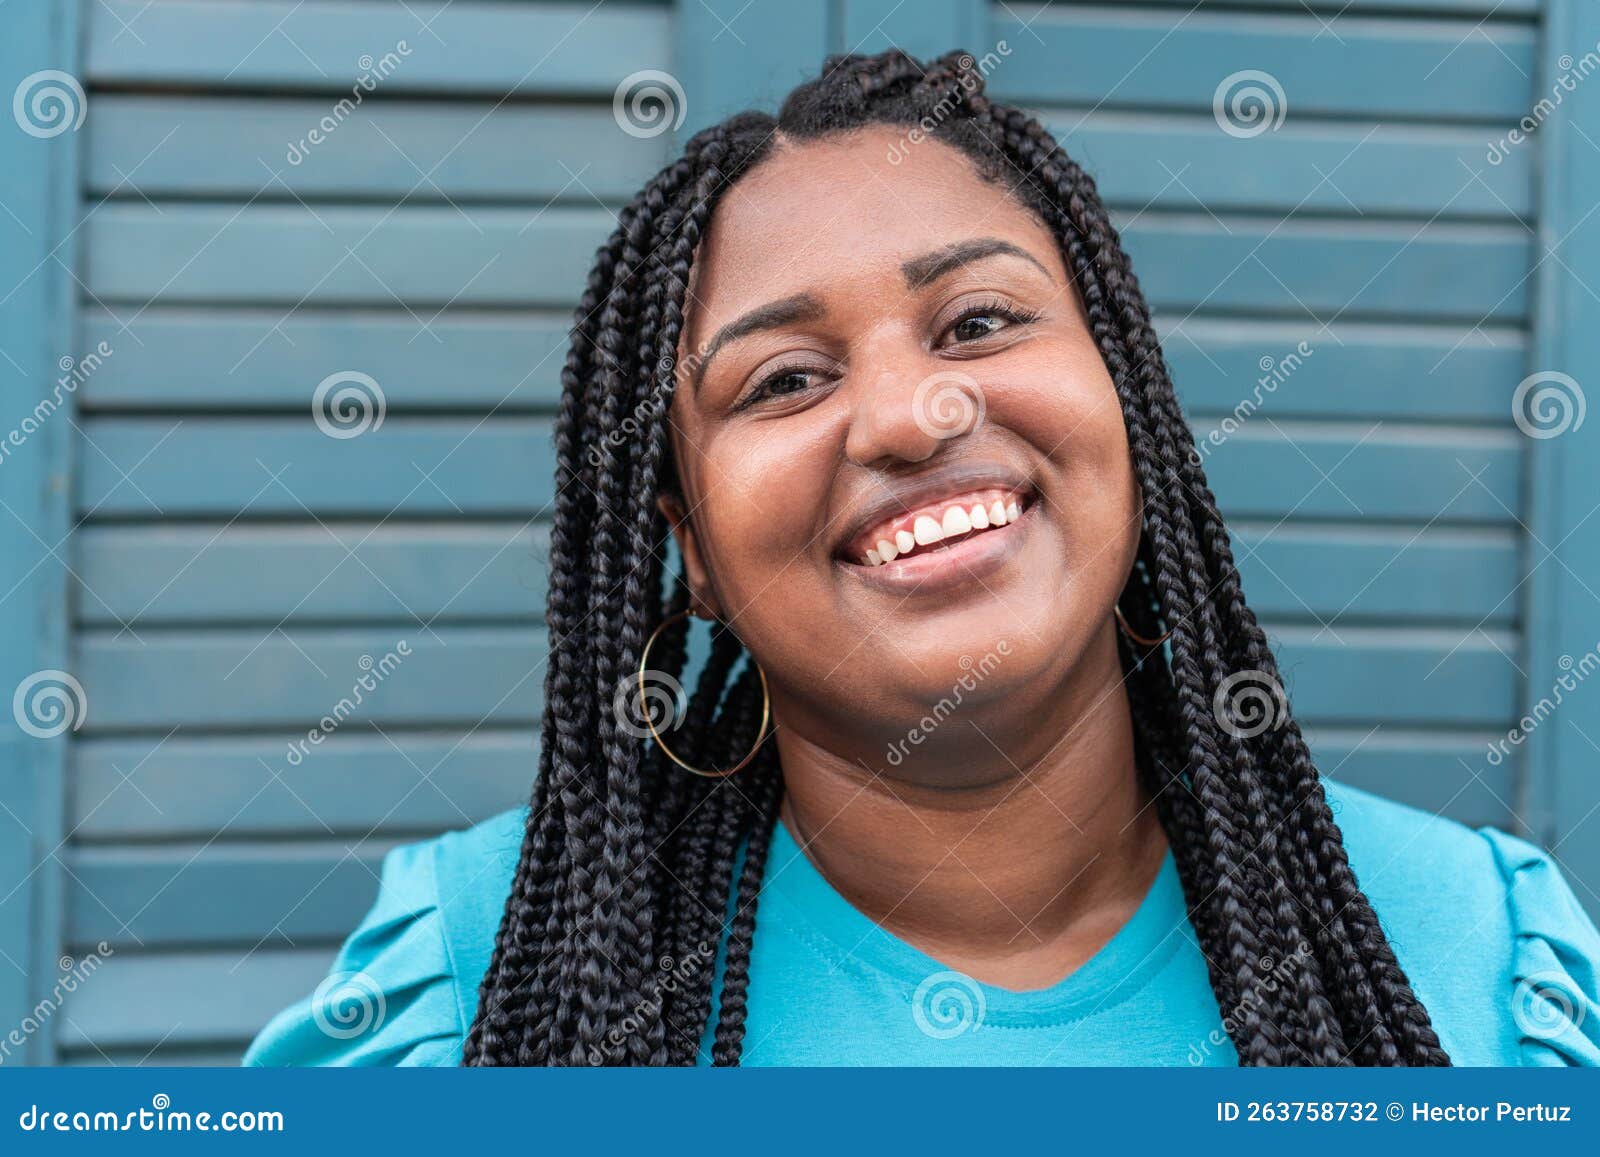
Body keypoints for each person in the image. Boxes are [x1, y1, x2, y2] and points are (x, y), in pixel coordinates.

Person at [245, 50, 1600, 1068]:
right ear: (692, 553)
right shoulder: (484, 979)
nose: (910, 416)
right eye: (781, 380)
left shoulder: (1480, 962)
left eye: (979, 320)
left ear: (1123, 392)